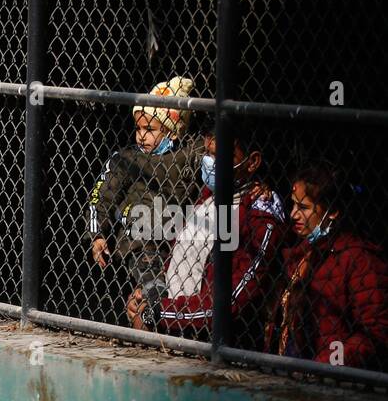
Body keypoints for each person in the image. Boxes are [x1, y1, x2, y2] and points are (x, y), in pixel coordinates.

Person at [125, 125, 287, 349]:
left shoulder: (259, 217)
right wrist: (150, 292)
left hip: (207, 345)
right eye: (208, 154)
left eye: (220, 156)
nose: (210, 162)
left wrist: (161, 314)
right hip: (172, 329)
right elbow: (178, 257)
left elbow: (229, 301)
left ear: (252, 162)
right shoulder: (207, 195)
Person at [88, 76, 205, 304]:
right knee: (141, 236)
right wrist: (97, 234)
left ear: (172, 132)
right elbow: (103, 195)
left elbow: (211, 149)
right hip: (141, 232)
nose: (141, 135)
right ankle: (153, 285)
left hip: (178, 227)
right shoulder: (128, 158)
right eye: (138, 128)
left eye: (149, 129)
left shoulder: (187, 154)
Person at [267, 163, 388, 369]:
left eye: (303, 208)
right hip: (292, 369)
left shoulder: (358, 258)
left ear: (332, 212)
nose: (294, 214)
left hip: (332, 378)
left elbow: (376, 332)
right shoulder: (301, 252)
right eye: (293, 205)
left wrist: (325, 364)